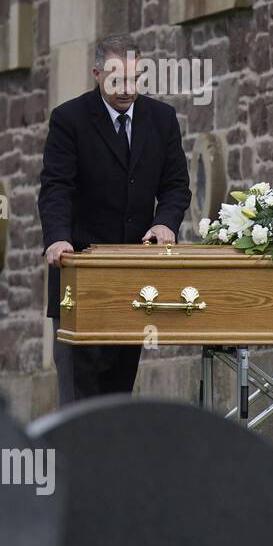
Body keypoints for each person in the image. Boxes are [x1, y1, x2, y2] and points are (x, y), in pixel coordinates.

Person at [38, 35, 191, 403]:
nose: (127, 89)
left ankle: (111, 461)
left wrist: (164, 223)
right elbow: (56, 187)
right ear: (96, 74)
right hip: (80, 273)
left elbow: (175, 185)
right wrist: (57, 239)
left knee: (119, 391)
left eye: (135, 79)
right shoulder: (69, 119)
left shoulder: (162, 119)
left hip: (134, 276)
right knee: (80, 390)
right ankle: (75, 461)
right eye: (116, 79)